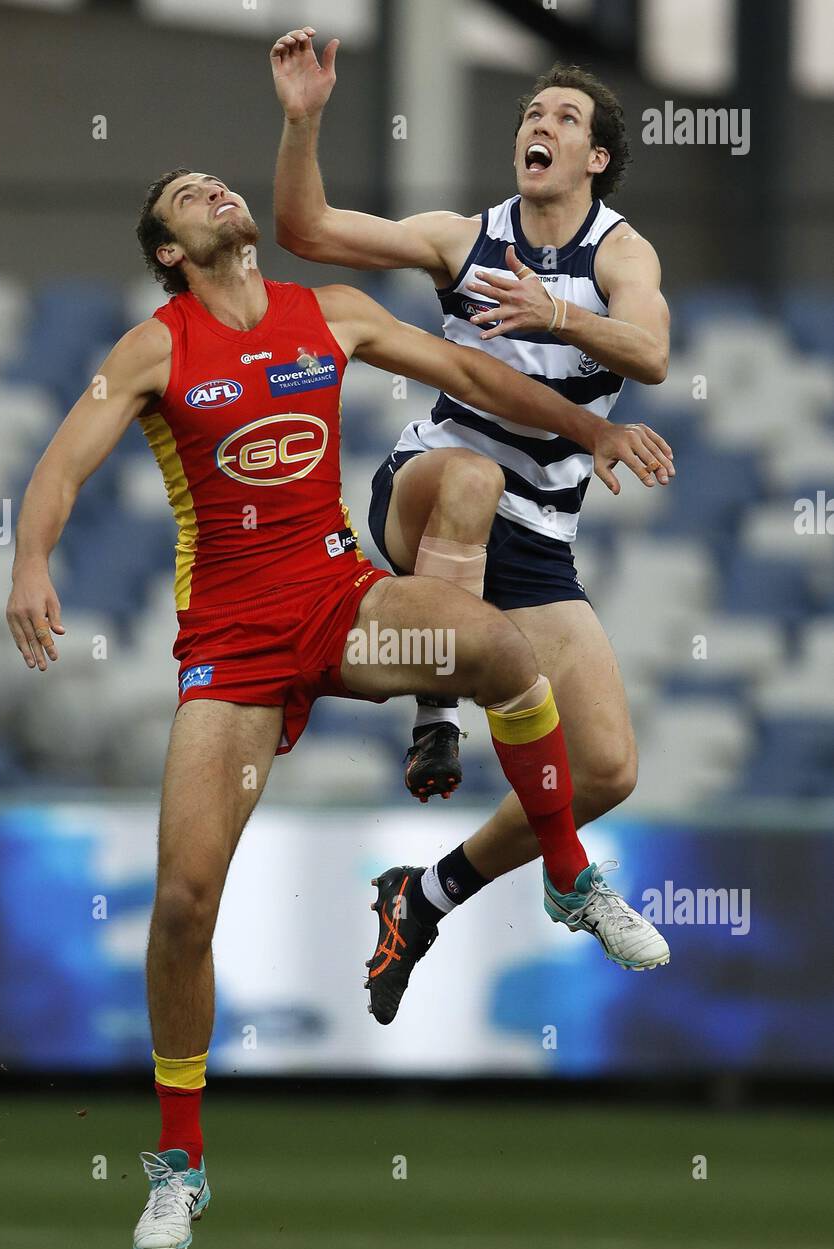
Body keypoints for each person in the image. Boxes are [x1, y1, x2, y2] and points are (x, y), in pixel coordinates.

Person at [6, 168, 671, 1249]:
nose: (214, 190)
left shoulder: (331, 316)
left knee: (502, 649)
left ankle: (565, 873)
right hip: (231, 648)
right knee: (181, 902)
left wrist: (586, 433)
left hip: (340, 605)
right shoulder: (154, 348)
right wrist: (31, 560)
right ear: (168, 249)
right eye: (187, 194)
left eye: (217, 181)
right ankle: (181, 1165)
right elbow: (59, 469)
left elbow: (467, 371)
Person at [272, 29, 673, 1016]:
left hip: (534, 542)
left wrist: (559, 316)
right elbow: (307, 230)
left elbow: (651, 352)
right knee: (469, 477)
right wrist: (302, 120)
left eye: (564, 118)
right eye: (532, 113)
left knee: (609, 770)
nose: (538, 124)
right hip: (428, 492)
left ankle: (425, 895)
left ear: (595, 160)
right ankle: (435, 715)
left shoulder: (619, 252)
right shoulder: (462, 236)